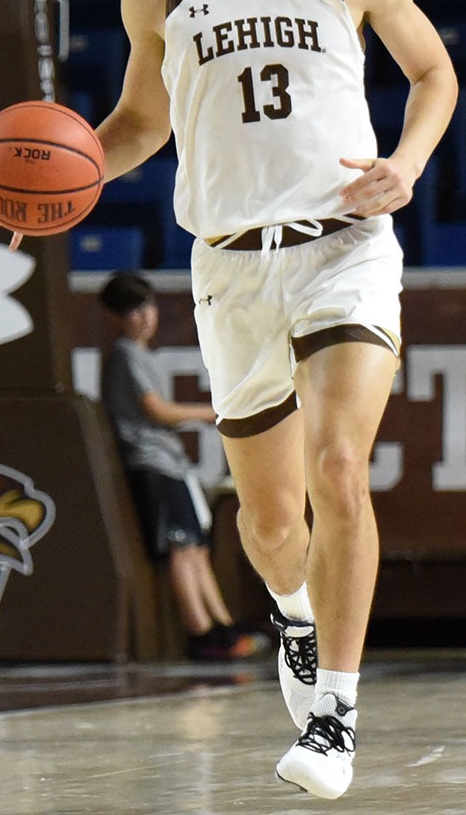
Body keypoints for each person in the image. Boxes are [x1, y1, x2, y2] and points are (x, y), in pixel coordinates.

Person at [0, 0, 457, 800]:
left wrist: (408, 165)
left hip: (343, 246)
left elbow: (436, 73)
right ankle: (294, 613)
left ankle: (333, 715)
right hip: (231, 269)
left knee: (341, 467)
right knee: (267, 523)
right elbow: (141, 126)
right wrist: (47, 190)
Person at [97, 271, 270, 662]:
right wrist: (213, 413)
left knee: (194, 548)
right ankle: (200, 631)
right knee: (180, 546)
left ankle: (221, 626)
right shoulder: (125, 353)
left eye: (147, 306)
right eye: (132, 310)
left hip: (169, 465)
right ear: (115, 317)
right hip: (151, 461)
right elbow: (157, 410)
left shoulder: (138, 355)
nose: (143, 316)